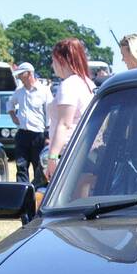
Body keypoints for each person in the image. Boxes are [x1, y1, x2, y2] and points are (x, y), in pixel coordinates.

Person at [44, 37, 95, 182]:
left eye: (53, 60)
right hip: (85, 152)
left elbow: (65, 124)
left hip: (68, 154)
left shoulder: (69, 85)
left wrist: (53, 156)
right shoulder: (87, 83)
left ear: (62, 60)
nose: (52, 65)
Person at [7, 61, 52, 187]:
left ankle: (39, 191)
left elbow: (49, 113)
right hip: (22, 133)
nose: (19, 77)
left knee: (39, 166)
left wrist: (48, 135)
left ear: (29, 74)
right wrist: (13, 115)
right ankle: (22, 191)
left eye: (21, 74)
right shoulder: (19, 91)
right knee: (21, 165)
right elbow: (9, 104)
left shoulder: (44, 91)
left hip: (38, 134)